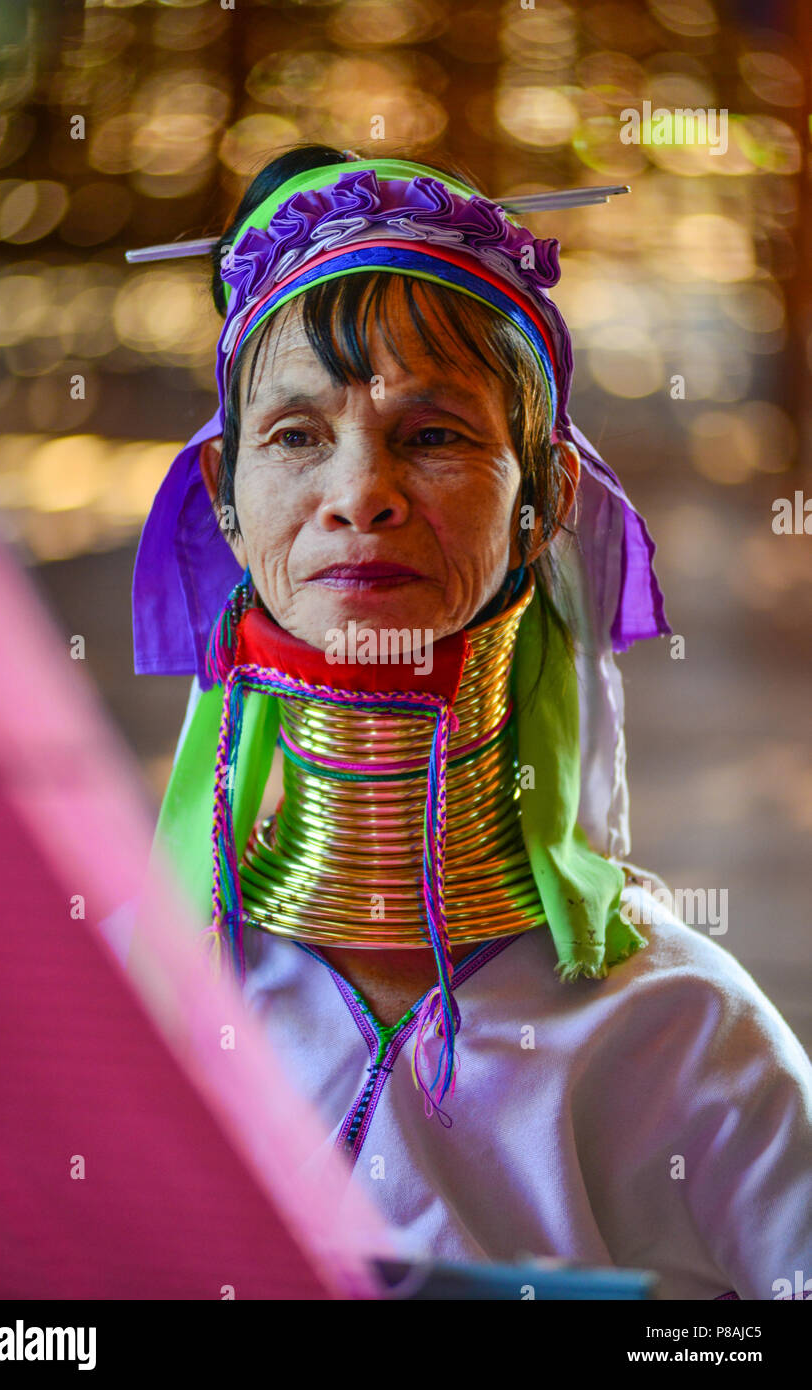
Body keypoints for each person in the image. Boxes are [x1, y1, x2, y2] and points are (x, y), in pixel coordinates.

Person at [129, 145, 812, 1300]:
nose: (361, 492)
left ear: (547, 497)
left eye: (434, 434)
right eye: (296, 434)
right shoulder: (132, 1023)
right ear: (223, 499)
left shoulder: (690, 1039)